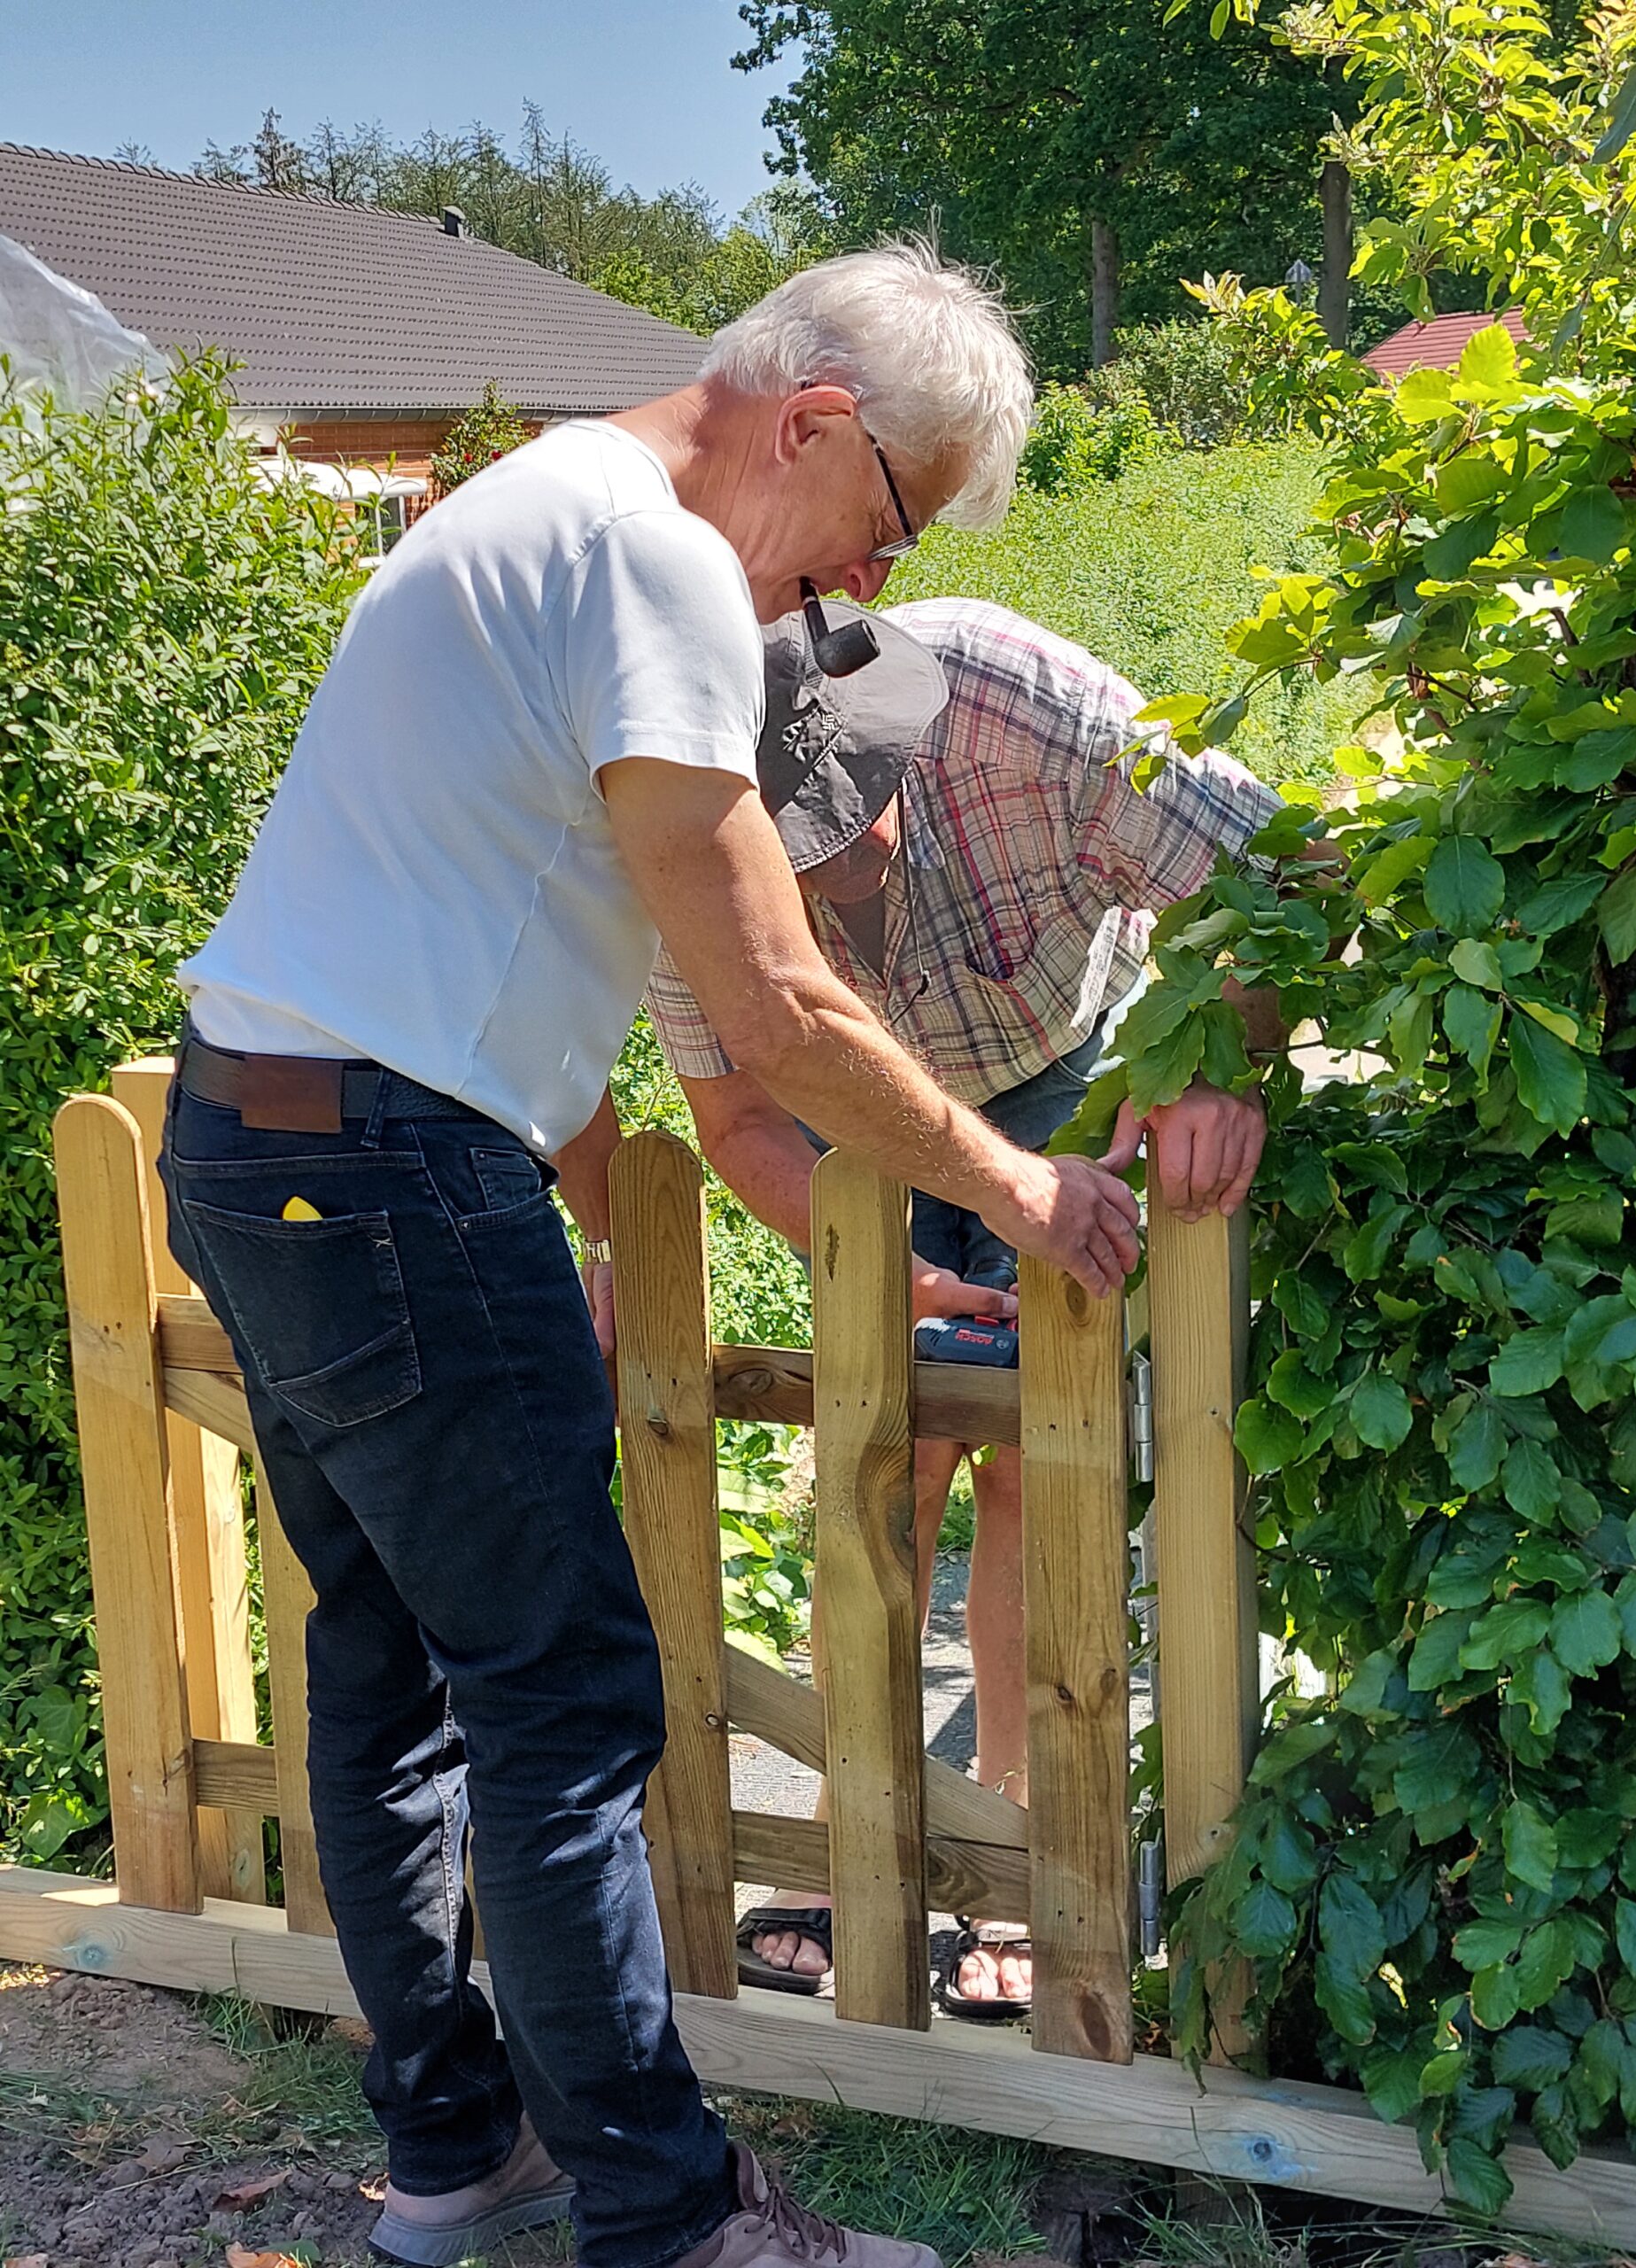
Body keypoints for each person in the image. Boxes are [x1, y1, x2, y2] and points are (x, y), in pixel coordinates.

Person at [159, 247, 1145, 2268]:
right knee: (565, 1702)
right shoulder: (666, 559)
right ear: (814, 424)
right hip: (396, 1167)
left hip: (252, 1133)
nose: (839, 598)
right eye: (880, 530)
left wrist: (589, 1222)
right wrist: (1029, 1189)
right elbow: (772, 997)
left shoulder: (518, 515)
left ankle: (457, 2159)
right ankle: (676, 2222)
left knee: (388, 1661)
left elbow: (486, 919)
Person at [608, 594, 1284, 2015]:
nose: (835, 869)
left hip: (1065, 1065)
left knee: (1042, 1444)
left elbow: (1273, 874)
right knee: (881, 1440)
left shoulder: (1029, 700)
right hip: (853, 1120)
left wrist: (1216, 1057)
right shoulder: (678, 823)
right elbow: (740, 1127)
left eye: (854, 822)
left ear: (910, 745)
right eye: (793, 854)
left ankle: (1015, 1826)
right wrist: (892, 1279)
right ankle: (853, 1834)